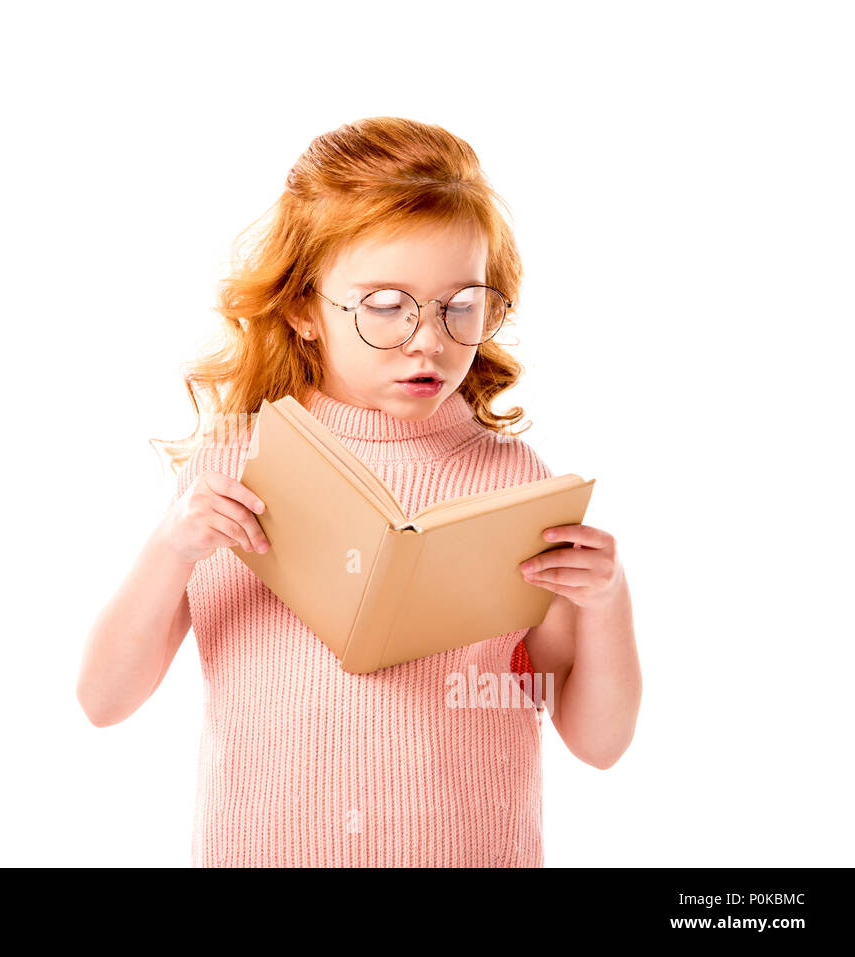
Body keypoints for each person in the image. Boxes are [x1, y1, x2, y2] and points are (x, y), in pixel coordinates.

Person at [76, 117, 640, 867]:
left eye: (460, 304)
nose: (427, 341)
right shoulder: (233, 467)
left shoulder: (516, 483)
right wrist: (172, 547)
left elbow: (597, 742)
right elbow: (103, 699)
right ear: (306, 310)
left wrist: (607, 600)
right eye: (384, 306)